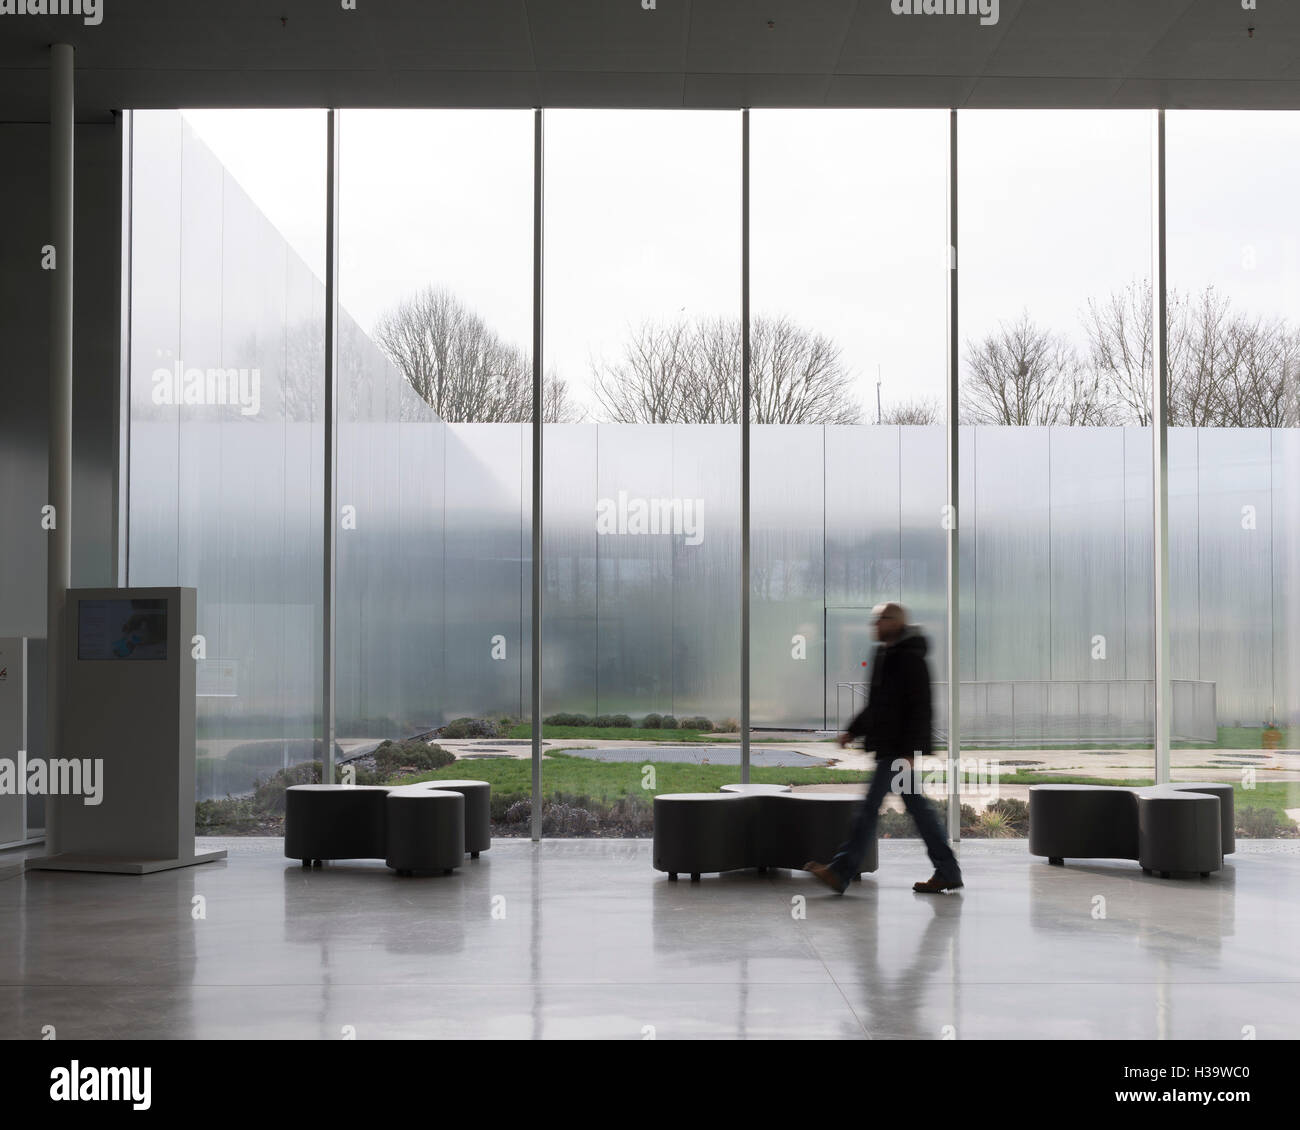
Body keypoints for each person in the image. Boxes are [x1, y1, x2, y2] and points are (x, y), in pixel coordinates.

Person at [804, 602, 964, 895]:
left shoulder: (910, 658)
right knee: (919, 811)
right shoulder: (886, 655)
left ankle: (841, 872)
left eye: (881, 619)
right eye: (875, 620)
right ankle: (948, 870)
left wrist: (911, 751)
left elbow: (921, 708)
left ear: (897, 622)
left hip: (898, 750)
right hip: (892, 748)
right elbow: (878, 705)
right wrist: (853, 730)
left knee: (869, 810)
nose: (875, 625)